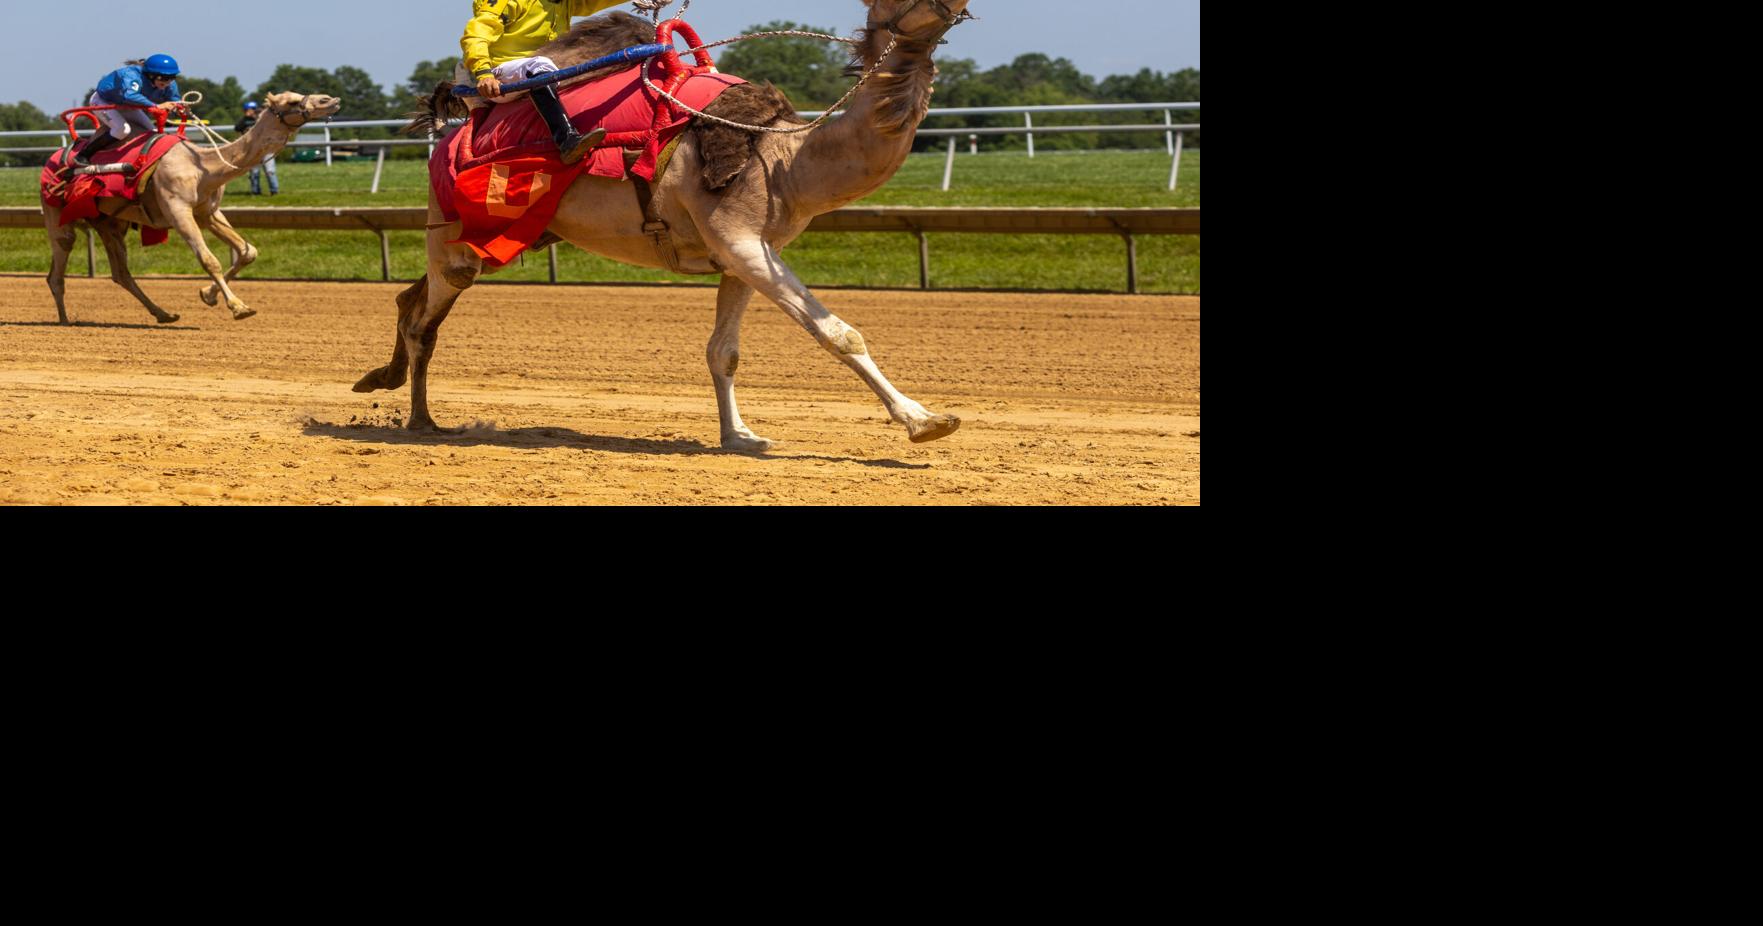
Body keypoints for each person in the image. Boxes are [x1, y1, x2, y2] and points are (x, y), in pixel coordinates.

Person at [459, 0, 624, 164]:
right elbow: (476, 34)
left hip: (537, 74)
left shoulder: (565, 3)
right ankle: (566, 140)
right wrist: (484, 73)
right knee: (539, 64)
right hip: (500, 77)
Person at [73, 54, 183, 167]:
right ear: (151, 75)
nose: (168, 82)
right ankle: (84, 154)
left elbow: (174, 100)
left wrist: (179, 107)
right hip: (103, 102)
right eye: (164, 78)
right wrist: (156, 106)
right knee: (122, 130)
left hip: (128, 105)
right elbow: (130, 95)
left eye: (172, 77)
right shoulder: (131, 74)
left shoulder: (169, 83)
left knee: (152, 131)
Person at [233, 101, 281, 195]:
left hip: (267, 148)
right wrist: (246, 117)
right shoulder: (245, 121)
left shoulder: (263, 118)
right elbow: (237, 128)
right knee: (254, 172)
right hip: (253, 150)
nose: (251, 111)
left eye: (253, 109)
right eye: (248, 110)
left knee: (270, 171)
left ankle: (274, 191)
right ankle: (255, 191)